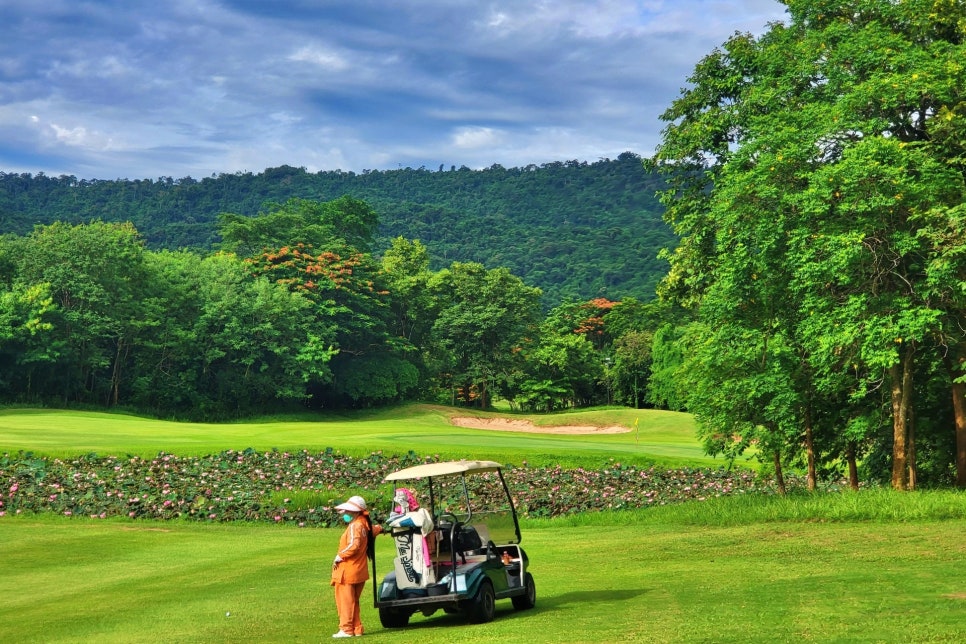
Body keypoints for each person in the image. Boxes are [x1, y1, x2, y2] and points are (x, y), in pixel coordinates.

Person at [330, 495, 381, 638]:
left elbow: (354, 545)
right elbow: (375, 530)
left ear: (355, 512)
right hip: (359, 570)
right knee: (353, 601)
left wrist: (340, 555)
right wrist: (381, 528)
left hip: (348, 570)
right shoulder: (365, 524)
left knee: (345, 602)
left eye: (348, 511)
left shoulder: (355, 526)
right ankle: (356, 628)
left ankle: (346, 629)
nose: (345, 514)